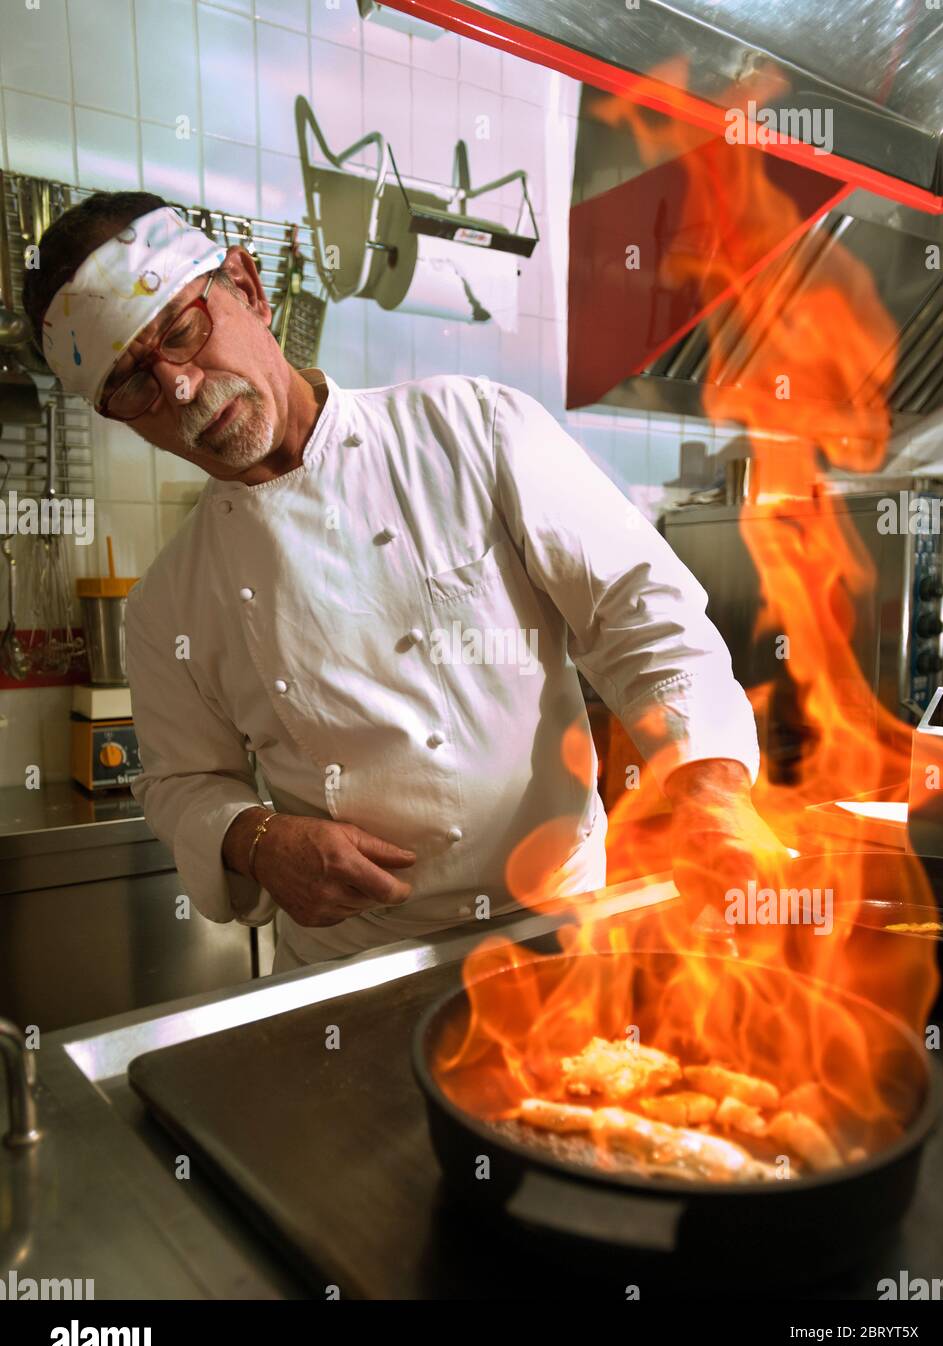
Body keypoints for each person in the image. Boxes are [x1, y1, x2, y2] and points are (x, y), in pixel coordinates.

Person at [24, 191, 785, 973]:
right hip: (351, 973)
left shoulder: (472, 430)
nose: (180, 390)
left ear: (247, 287)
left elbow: (639, 611)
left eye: (183, 332)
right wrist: (256, 840)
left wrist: (709, 791)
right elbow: (181, 781)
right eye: (133, 386)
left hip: (556, 939)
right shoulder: (166, 604)